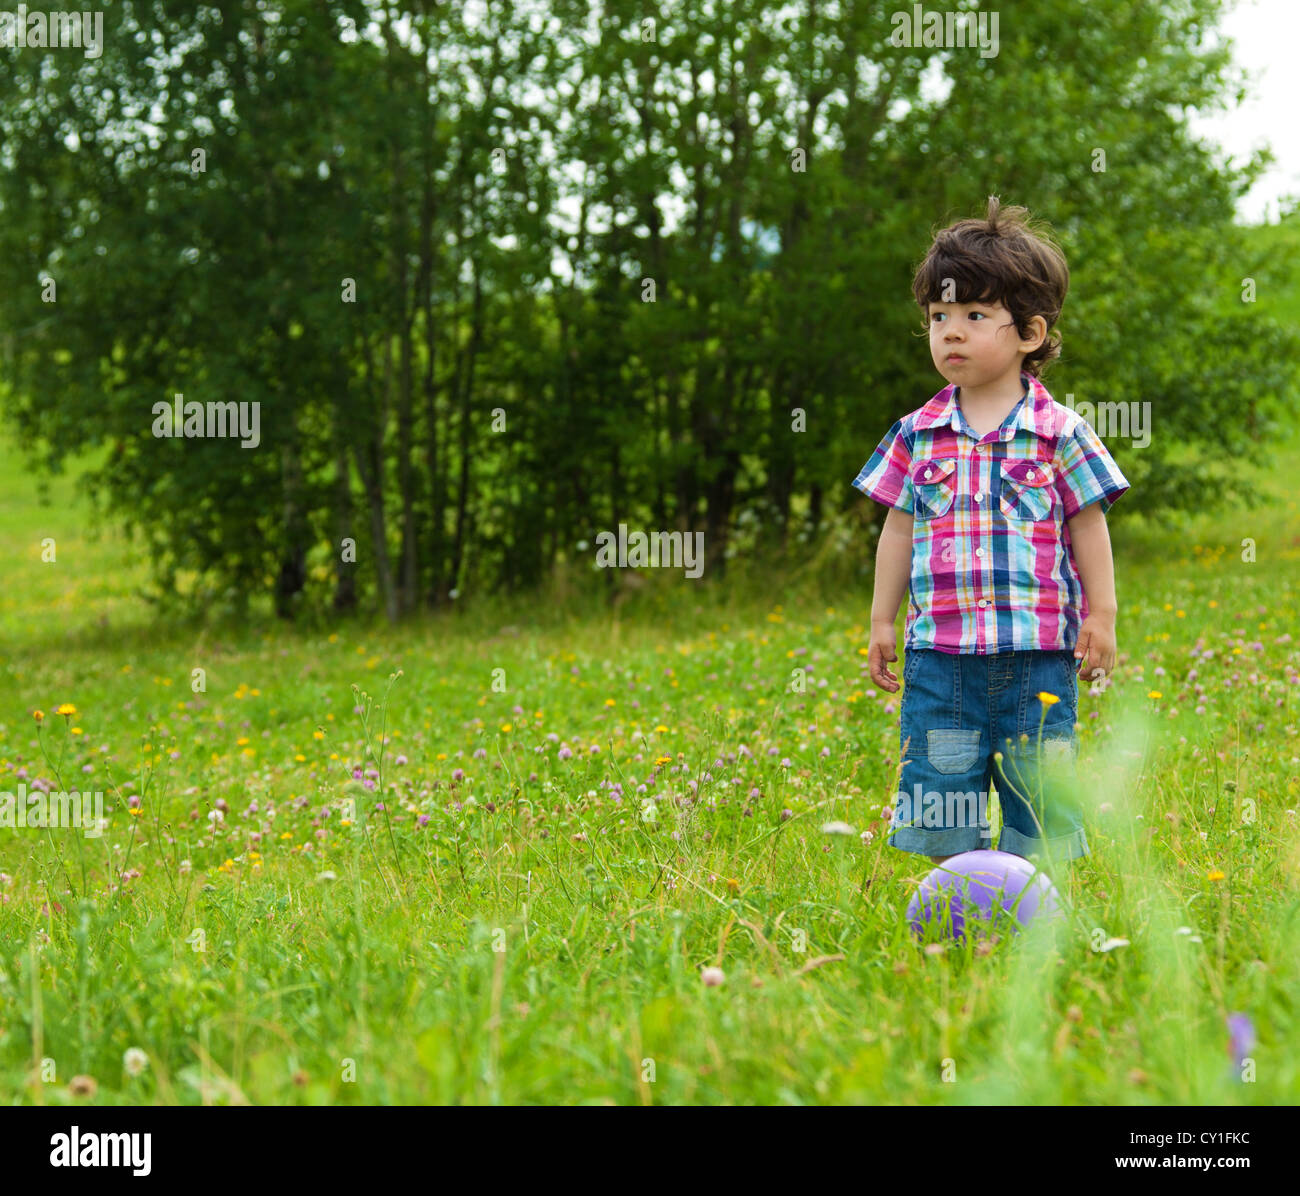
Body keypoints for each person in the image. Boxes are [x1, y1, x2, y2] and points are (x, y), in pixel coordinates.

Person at [852, 196, 1129, 865]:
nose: (949, 331)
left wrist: (1105, 612)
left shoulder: (1061, 432)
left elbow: (1087, 523)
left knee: (1040, 795)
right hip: (940, 661)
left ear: (1030, 334)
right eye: (938, 316)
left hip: (1036, 656)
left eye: (974, 316)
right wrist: (882, 621)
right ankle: (959, 908)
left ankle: (1040, 912)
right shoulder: (917, 433)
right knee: (943, 792)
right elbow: (896, 529)